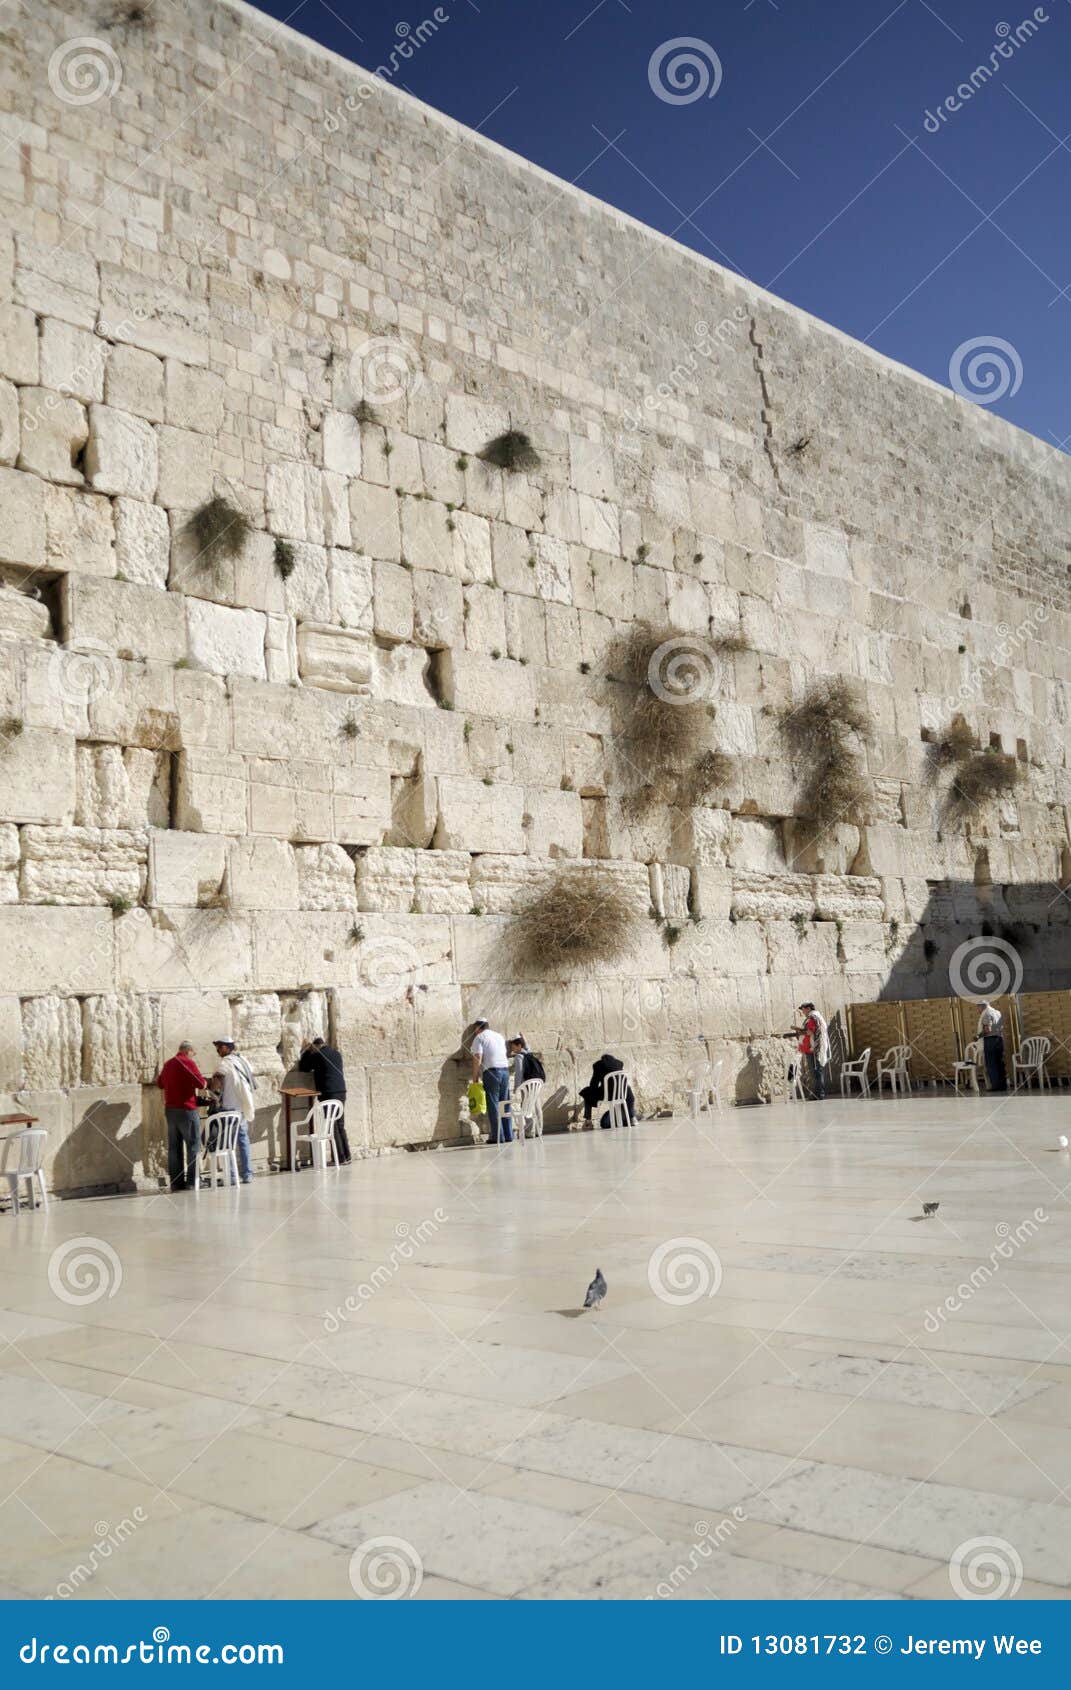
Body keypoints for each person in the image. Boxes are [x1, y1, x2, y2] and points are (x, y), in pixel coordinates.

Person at [157, 1041, 208, 1191]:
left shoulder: (168, 1064)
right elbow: (200, 1083)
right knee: (193, 1146)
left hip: (171, 1110)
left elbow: (160, 1083)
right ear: (189, 1051)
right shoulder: (188, 1063)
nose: (194, 1056)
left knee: (174, 1147)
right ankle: (193, 1182)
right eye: (194, 1053)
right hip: (187, 1110)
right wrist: (205, 1083)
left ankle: (176, 1182)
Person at [209, 1037, 256, 1184]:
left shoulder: (225, 1063)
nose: (217, 1050)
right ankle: (248, 1174)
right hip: (241, 1107)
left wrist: (209, 1087)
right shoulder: (242, 1060)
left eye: (218, 1047)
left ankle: (232, 1176)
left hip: (228, 1108)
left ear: (225, 1047)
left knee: (227, 1143)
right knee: (243, 1140)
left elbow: (216, 1084)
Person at [302, 1035, 351, 1165]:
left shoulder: (317, 1055)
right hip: (341, 1092)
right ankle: (347, 1156)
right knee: (340, 1125)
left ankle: (339, 1158)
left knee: (331, 1126)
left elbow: (304, 1067)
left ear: (315, 1046)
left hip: (329, 1094)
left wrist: (307, 1051)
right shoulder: (336, 1053)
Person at [470, 1017, 511, 1143]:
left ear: (478, 1027)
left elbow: (478, 1057)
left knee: (493, 1105)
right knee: (505, 1104)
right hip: (505, 1071)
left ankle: (498, 1136)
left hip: (492, 1072)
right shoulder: (499, 1036)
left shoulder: (479, 1037)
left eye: (474, 1029)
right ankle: (508, 1135)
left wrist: (475, 1077)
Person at [580, 1053, 635, 1128]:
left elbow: (594, 1084)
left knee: (586, 1092)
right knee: (627, 1088)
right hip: (622, 1094)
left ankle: (588, 1122)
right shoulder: (620, 1063)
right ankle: (632, 1118)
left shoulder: (598, 1065)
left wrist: (592, 1091)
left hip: (607, 1095)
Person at [794, 1002, 830, 1100]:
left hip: (814, 1049)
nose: (802, 1011)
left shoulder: (812, 1017)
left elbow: (810, 1032)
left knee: (816, 1072)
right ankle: (818, 1094)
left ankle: (819, 1094)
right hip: (814, 1048)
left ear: (808, 1008)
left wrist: (799, 1030)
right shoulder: (815, 1016)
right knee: (816, 1071)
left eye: (803, 1009)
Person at [977, 999, 1007, 1092]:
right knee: (1000, 1063)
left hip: (990, 1040)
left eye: (978, 1008)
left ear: (981, 1006)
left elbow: (988, 1029)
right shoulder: (997, 1012)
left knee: (991, 1064)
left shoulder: (986, 1013)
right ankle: (1003, 1085)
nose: (977, 1010)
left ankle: (995, 1085)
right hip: (999, 1039)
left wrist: (978, 1036)